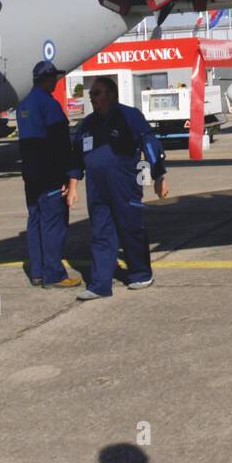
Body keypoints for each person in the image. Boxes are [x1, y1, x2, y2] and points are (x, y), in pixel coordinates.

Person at [66, 76, 168, 300]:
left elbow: (149, 143)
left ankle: (141, 273)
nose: (92, 98)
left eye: (96, 93)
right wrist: (73, 185)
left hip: (125, 185)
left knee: (130, 228)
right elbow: (76, 157)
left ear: (111, 94)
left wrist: (159, 175)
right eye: (91, 94)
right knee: (100, 233)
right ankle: (100, 285)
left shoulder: (129, 116)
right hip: (97, 187)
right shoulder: (88, 124)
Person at [16, 61, 82, 289]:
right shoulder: (49, 105)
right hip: (50, 174)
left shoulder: (23, 105)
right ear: (47, 79)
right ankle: (53, 274)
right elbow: (61, 144)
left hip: (31, 175)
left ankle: (37, 272)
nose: (56, 81)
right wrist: (70, 174)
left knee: (34, 221)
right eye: (54, 78)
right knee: (53, 224)